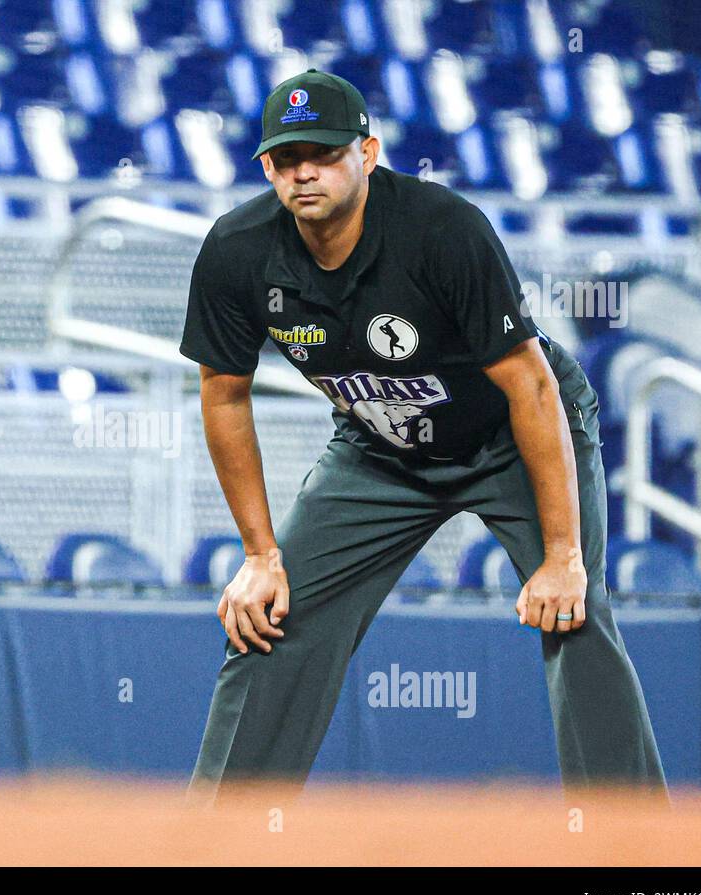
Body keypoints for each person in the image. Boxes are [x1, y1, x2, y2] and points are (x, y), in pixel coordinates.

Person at [179, 69, 667, 802]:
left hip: (509, 432)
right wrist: (259, 554)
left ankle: (634, 859)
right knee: (272, 613)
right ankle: (222, 843)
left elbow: (531, 386)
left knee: (575, 611)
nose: (304, 171)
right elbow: (223, 394)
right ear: (265, 167)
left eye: (325, 152)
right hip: (381, 446)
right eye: (286, 157)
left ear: (368, 153)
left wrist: (564, 556)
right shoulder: (239, 249)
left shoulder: (442, 229)